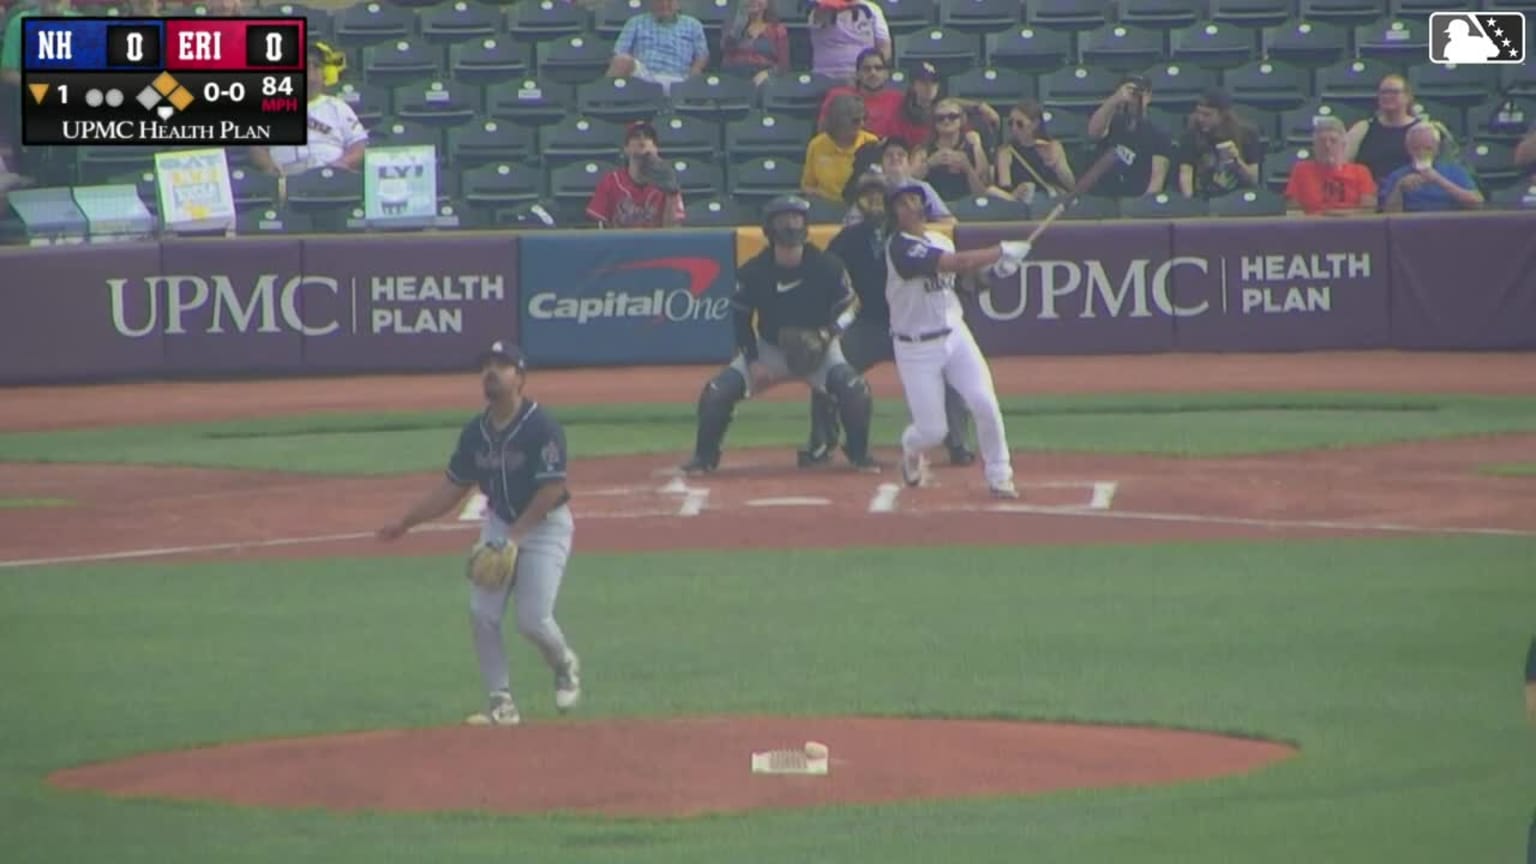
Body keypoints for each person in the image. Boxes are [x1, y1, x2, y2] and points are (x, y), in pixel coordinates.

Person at [376, 341, 583, 728]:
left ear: (520, 378)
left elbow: (552, 489)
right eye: (486, 365)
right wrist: (407, 522)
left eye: (501, 365)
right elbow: (452, 489)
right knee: (482, 612)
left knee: (532, 620)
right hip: (501, 523)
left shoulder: (542, 426)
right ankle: (501, 701)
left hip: (544, 526)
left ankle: (564, 663)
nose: (491, 371)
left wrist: (517, 537)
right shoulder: (476, 432)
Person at [681, 195, 878, 474]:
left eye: (796, 219)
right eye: (784, 220)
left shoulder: (827, 266)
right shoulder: (753, 271)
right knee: (716, 394)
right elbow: (741, 320)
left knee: (855, 391)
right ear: (769, 228)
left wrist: (828, 333)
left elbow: (851, 307)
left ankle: (859, 454)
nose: (790, 226)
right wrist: (752, 360)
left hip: (820, 348)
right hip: (770, 349)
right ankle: (704, 458)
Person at [801, 171, 974, 468]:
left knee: (951, 373)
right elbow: (824, 274)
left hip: (916, 325)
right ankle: (823, 443)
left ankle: (957, 443)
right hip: (871, 324)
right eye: (867, 196)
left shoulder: (909, 237)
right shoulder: (849, 238)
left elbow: (948, 274)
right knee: (829, 369)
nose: (874, 201)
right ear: (858, 203)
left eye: (879, 194)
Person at [883, 180, 1026, 498]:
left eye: (915, 200)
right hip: (915, 346)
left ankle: (1000, 475)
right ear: (894, 213)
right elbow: (955, 263)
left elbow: (966, 282)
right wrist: (999, 250)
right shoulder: (900, 247)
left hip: (955, 334)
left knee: (985, 403)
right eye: (903, 203)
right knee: (932, 431)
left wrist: (998, 272)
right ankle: (910, 447)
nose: (911, 207)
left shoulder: (939, 239)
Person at [250, 43, 367, 177]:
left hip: (331, 174)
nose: (310, 74)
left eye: (316, 66)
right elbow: (257, 148)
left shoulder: (338, 107)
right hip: (287, 176)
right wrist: (271, 170)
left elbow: (358, 144)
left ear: (324, 74)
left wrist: (343, 164)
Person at [1085, 74, 1172, 198]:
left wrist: (1138, 208)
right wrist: (1115, 99)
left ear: (1149, 96)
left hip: (1138, 201)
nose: (1134, 98)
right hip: (1105, 199)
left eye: (1140, 93)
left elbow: (1156, 181)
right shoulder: (1110, 123)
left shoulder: (1158, 133)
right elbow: (1093, 133)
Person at [585, 120, 685, 229]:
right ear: (626, 148)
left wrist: (672, 195)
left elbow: (672, 231)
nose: (642, 141)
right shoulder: (610, 182)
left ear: (656, 149)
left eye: (648, 137)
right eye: (636, 137)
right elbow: (601, 228)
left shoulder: (666, 180)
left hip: (656, 244)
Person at [841, 137, 954, 226]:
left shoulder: (922, 188)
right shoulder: (871, 188)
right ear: (881, 164)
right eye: (889, 155)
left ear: (908, 163)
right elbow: (851, 224)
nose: (895, 158)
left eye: (901, 155)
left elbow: (950, 222)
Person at [606, 0, 709, 95]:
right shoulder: (635, 22)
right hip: (644, 76)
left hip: (679, 77)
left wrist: (691, 77)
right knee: (621, 60)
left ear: (677, 3)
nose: (664, 5)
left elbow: (701, 56)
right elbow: (618, 52)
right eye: (659, 1)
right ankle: (604, 103)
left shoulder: (693, 24)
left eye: (669, 1)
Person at [1176, 88, 1263, 200]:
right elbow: (1186, 172)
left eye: (1207, 115)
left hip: (1239, 200)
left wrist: (1237, 160)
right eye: (1199, 113)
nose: (1201, 119)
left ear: (1223, 115)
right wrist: (1189, 201)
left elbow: (1253, 179)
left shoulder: (1248, 134)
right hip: (1204, 199)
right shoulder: (1190, 135)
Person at [1379, 122, 1483, 212]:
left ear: (1437, 149)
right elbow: (1389, 216)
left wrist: (1438, 179)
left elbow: (1478, 204)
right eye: (1416, 148)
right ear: (1408, 149)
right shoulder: (1398, 175)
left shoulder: (1454, 171)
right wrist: (1399, 188)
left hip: (1449, 226)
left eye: (1428, 148)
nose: (1421, 153)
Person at [1284, 116, 1377, 216]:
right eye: (1322, 141)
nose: (1327, 146)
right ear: (1314, 146)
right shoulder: (1301, 171)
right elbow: (1293, 212)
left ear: (1343, 144)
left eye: (1333, 141)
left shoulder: (1361, 172)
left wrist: (1329, 215)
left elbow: (1368, 212)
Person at [1344, 74, 1422, 188]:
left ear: (1407, 97)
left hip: (1409, 192)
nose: (1387, 96)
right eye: (1384, 92)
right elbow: (1342, 162)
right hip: (1369, 193)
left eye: (1394, 92)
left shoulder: (1421, 129)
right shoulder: (1362, 128)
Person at [989, 100, 1075, 204]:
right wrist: (1015, 193)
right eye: (1011, 123)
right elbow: (1005, 189)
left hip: (1049, 201)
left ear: (1035, 124)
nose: (1014, 128)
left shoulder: (1052, 146)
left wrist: (1056, 166)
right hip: (1021, 203)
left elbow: (1071, 185)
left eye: (1020, 124)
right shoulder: (1006, 151)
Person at [802, 93, 880, 203]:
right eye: (856, 120)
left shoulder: (871, 142)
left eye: (864, 119)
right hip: (826, 206)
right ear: (839, 121)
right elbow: (808, 186)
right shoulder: (816, 145)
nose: (862, 124)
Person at [816, 48, 905, 139]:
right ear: (857, 74)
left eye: (878, 68)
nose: (873, 73)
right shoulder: (838, 96)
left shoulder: (899, 99)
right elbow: (823, 134)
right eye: (867, 69)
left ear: (886, 74)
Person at [916, 98, 992, 201]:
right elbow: (910, 183)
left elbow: (983, 194)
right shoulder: (924, 149)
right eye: (940, 118)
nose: (946, 121)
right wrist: (929, 164)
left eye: (952, 117)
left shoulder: (973, 147)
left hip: (968, 208)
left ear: (961, 120)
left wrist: (967, 168)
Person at [807, 0, 889, 84]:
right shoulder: (819, 7)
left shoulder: (872, 9)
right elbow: (820, 20)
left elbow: (884, 46)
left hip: (863, 76)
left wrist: (874, 72)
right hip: (824, 75)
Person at [719, 0, 787, 86]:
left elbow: (783, 65)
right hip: (733, 78)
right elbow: (725, 48)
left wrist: (768, 73)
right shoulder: (730, 26)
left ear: (767, 3)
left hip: (764, 80)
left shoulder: (777, 29)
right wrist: (738, 26)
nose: (753, 0)